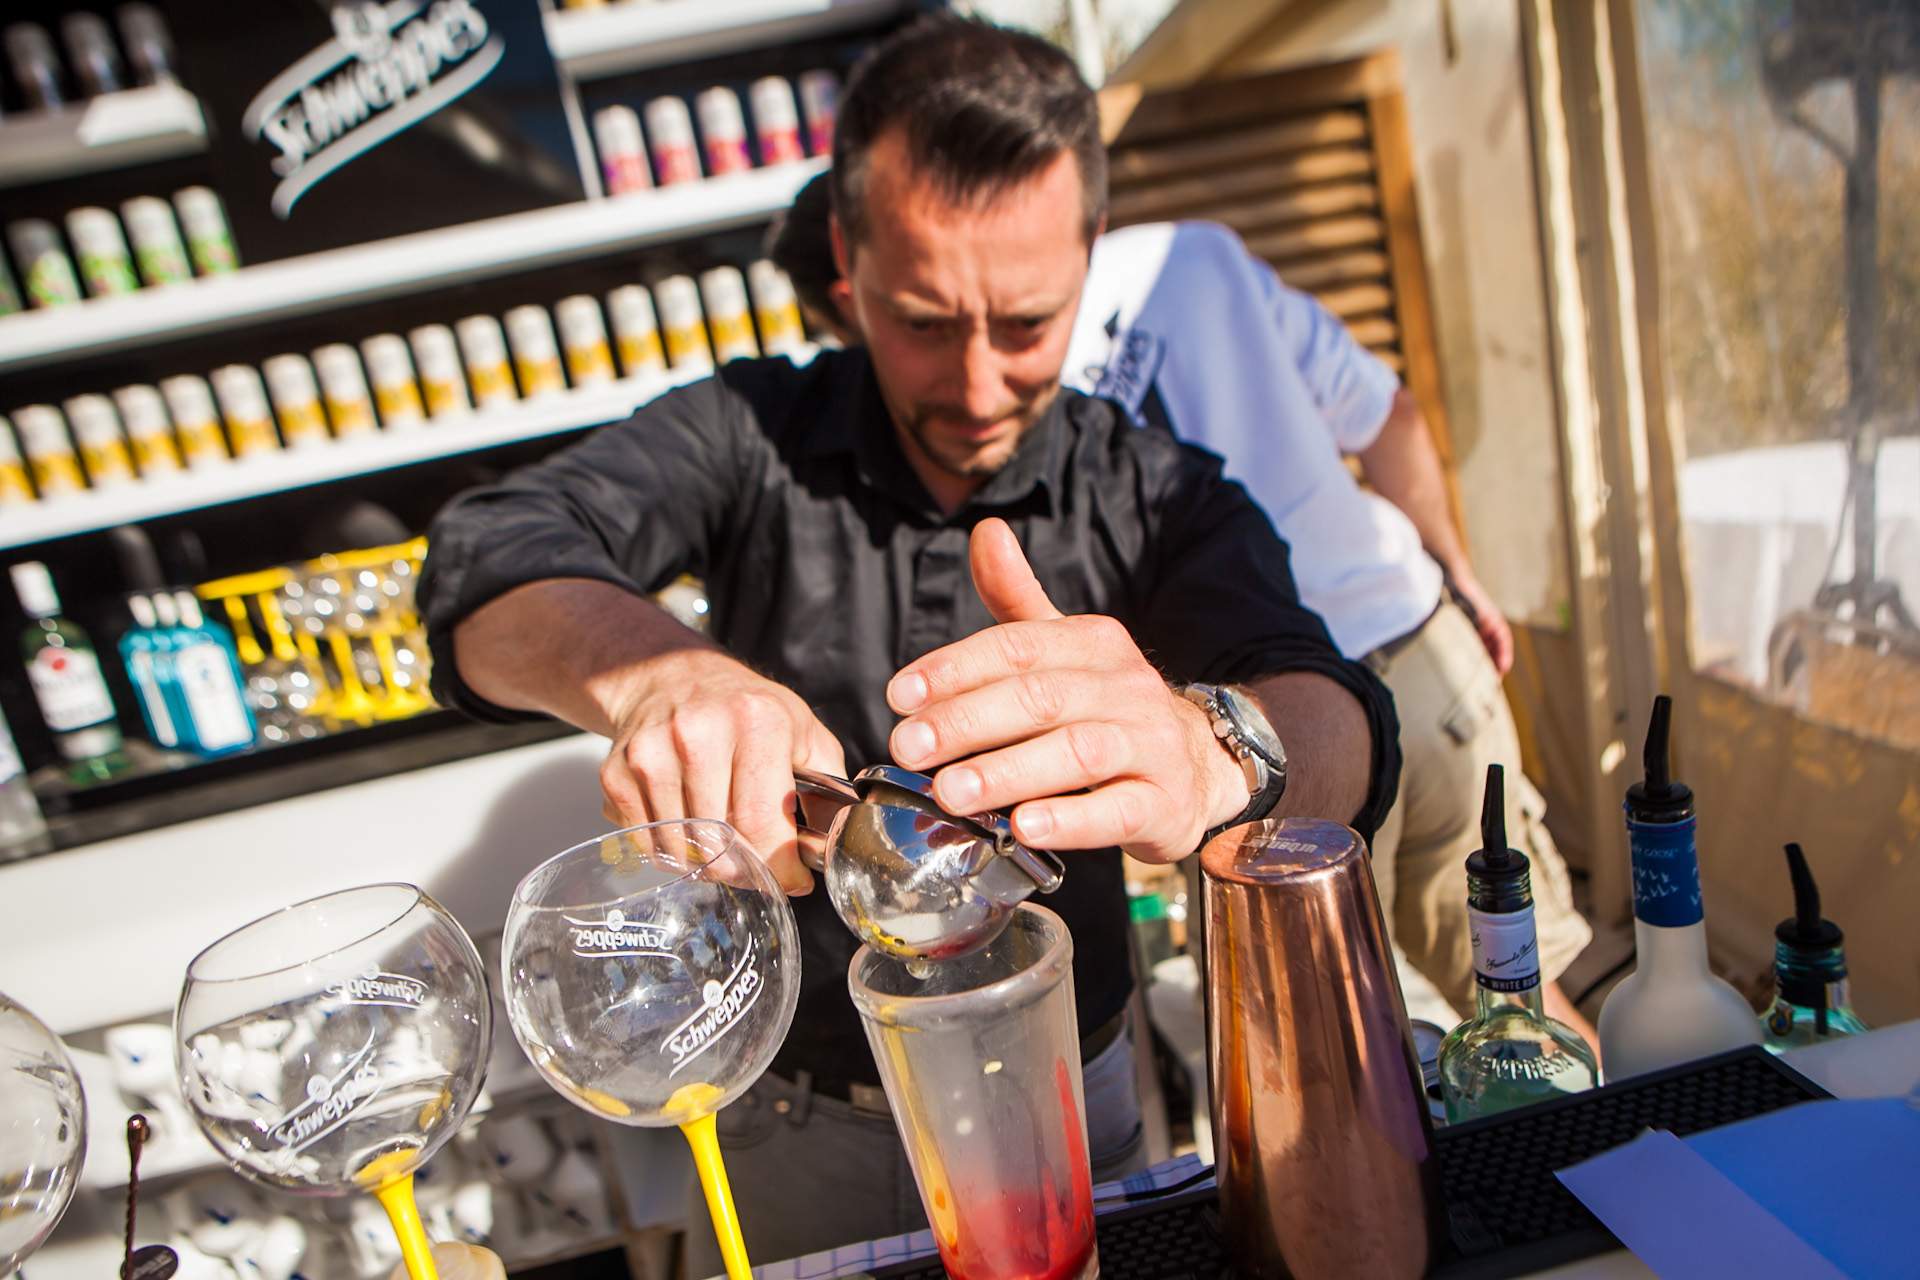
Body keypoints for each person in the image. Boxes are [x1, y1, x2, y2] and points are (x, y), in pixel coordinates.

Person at [418, 15, 1399, 1269]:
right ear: (847, 259)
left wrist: (1221, 751)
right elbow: (483, 556)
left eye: (1027, 324)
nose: (978, 389)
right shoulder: (750, 432)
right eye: (926, 322)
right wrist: (660, 672)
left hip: (1068, 1094)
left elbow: (1346, 716)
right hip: (794, 1115)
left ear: (1088, 252)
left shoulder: (1158, 491)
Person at [772, 184, 1594, 1032]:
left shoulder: (997, 401)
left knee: (1318, 1050)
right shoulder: (1199, 253)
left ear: (857, 298)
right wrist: (1455, 571)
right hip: (1422, 650)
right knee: (1527, 1008)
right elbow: (1388, 413)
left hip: (1277, 741)